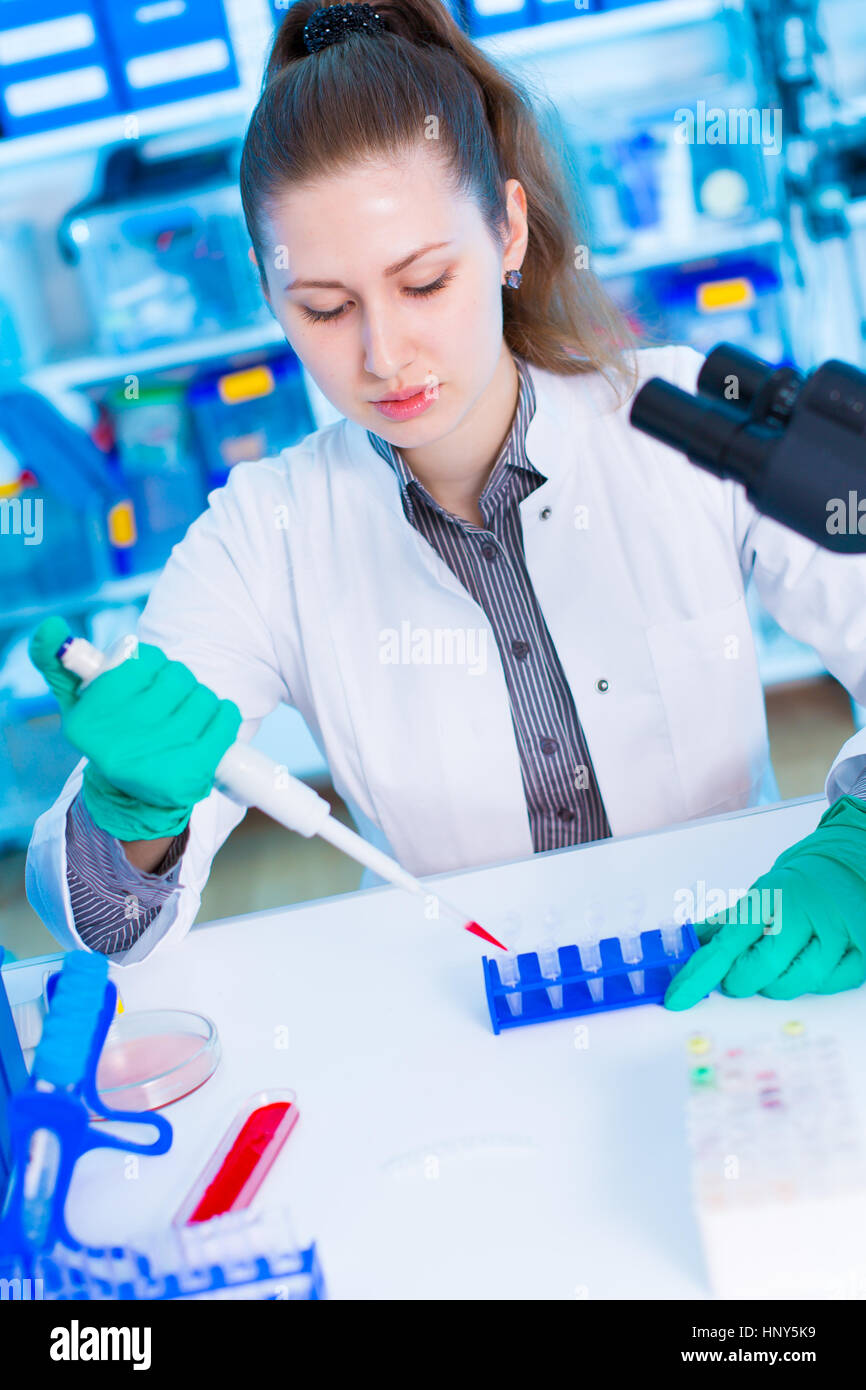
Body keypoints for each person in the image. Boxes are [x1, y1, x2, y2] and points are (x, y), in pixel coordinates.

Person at [25, 1, 866, 1003]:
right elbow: (106, 928)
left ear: (506, 230)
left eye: (423, 282)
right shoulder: (261, 536)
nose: (383, 356)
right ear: (266, 290)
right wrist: (135, 813)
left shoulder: (677, 416)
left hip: (743, 960)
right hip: (474, 1000)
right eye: (325, 308)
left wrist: (853, 848)